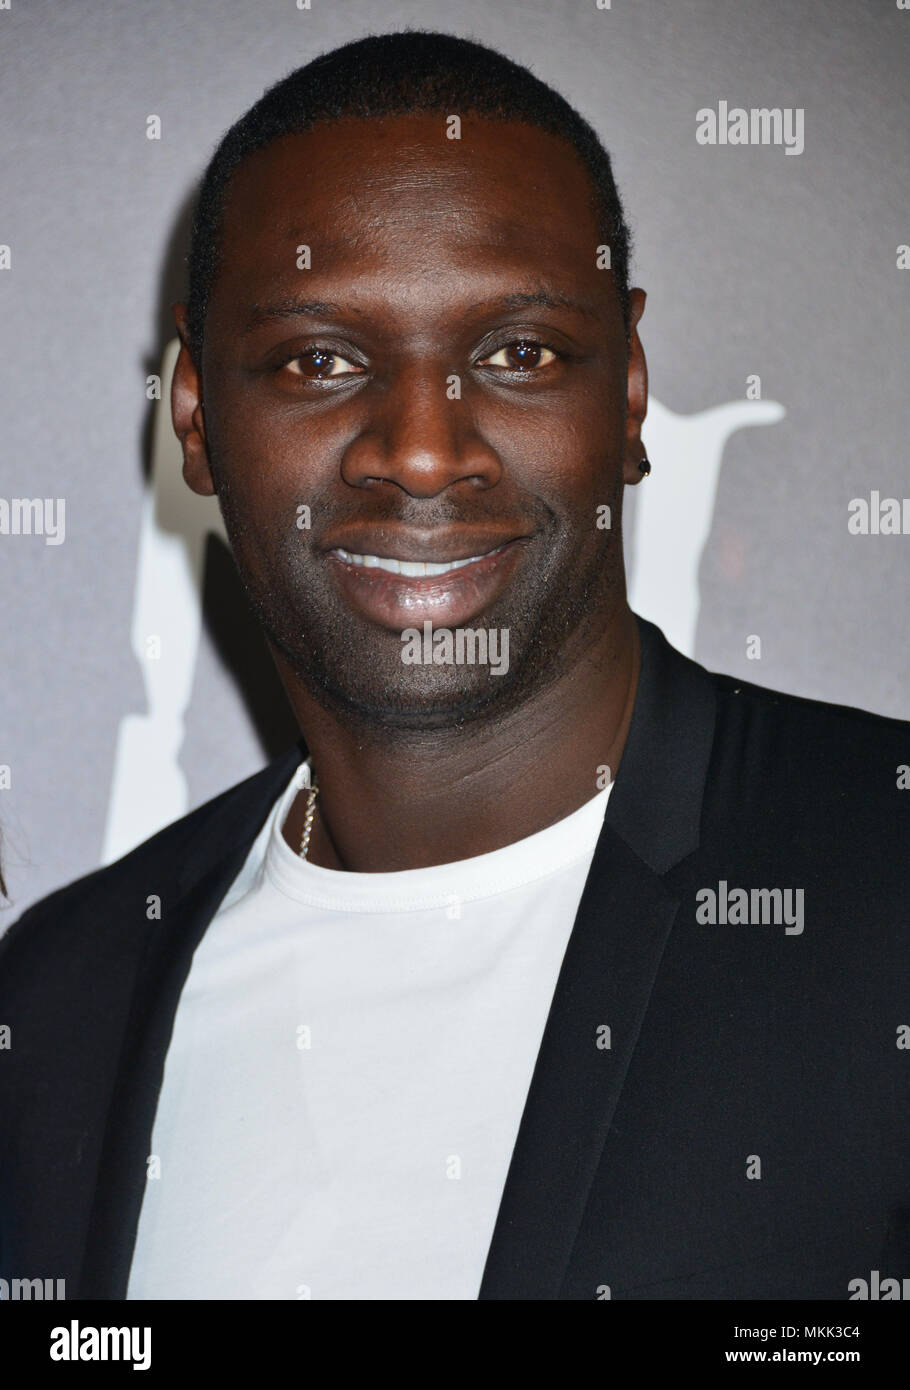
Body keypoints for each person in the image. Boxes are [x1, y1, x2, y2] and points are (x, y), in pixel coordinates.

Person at [1, 29, 908, 1303]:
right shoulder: (58, 1006)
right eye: (320, 359)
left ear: (630, 392)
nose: (422, 452)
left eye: (518, 352)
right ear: (198, 418)